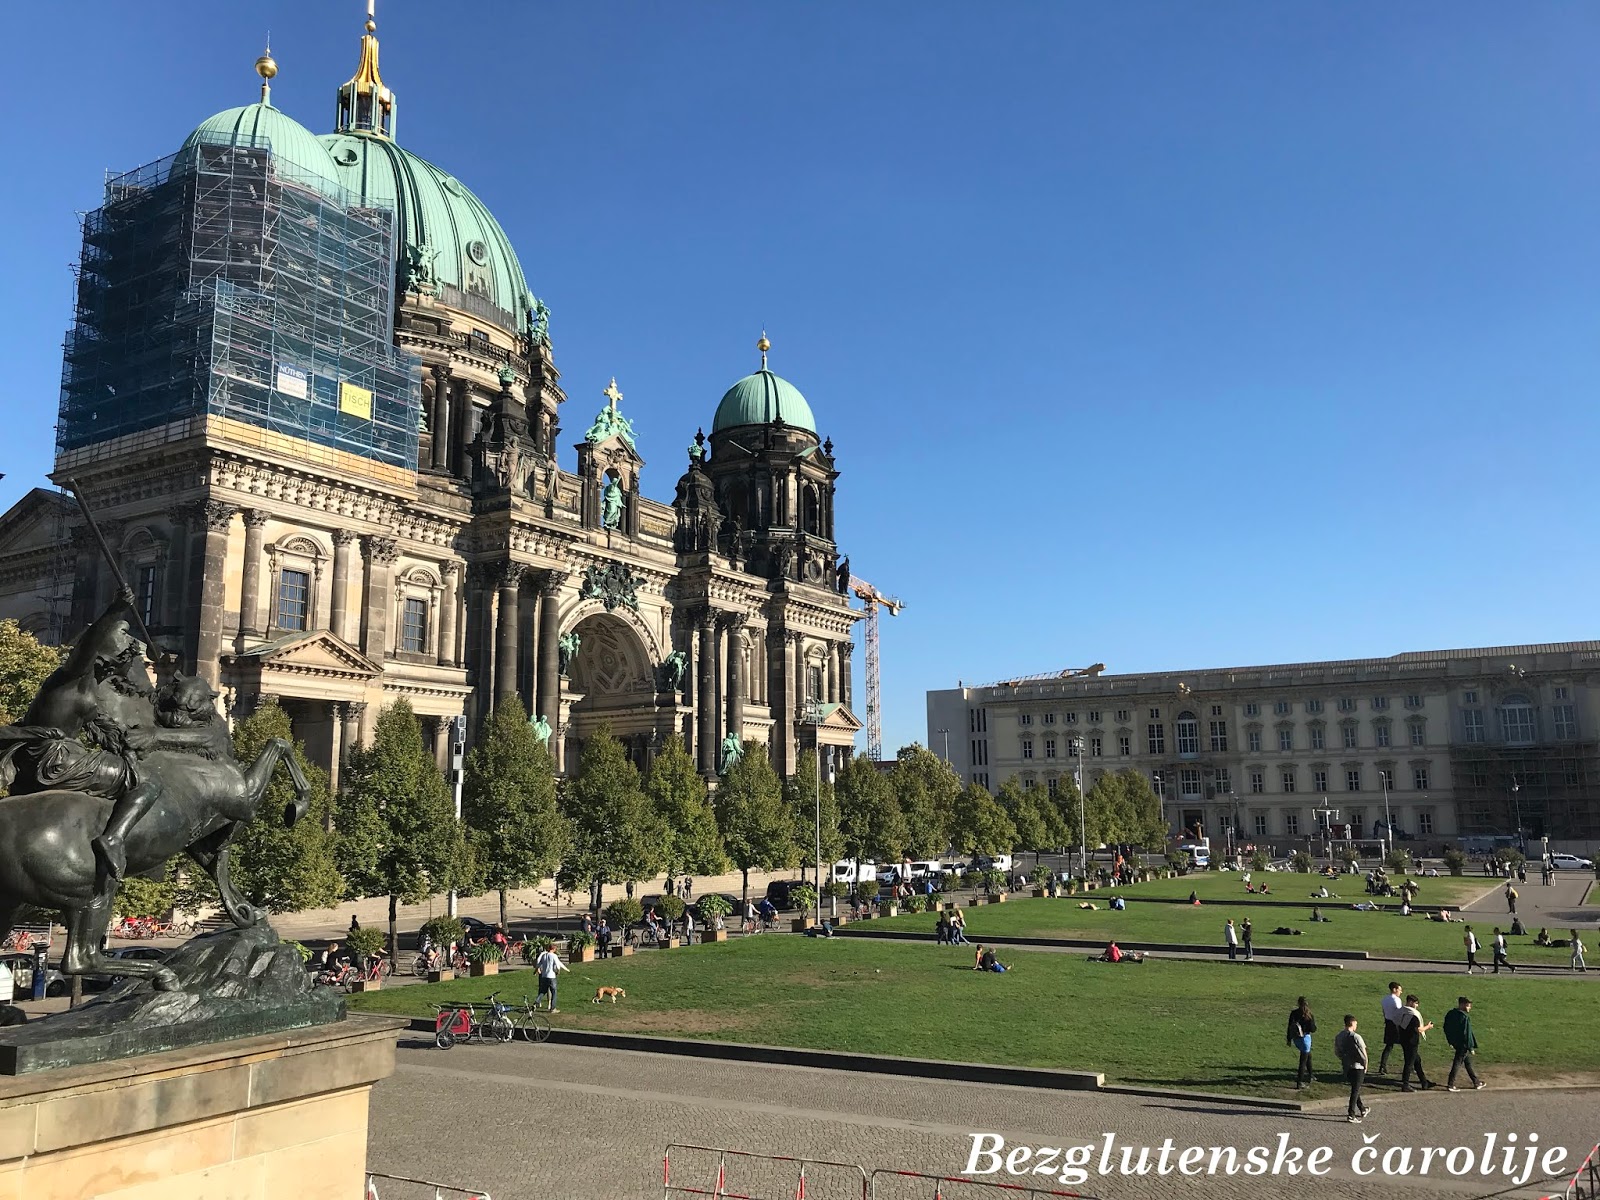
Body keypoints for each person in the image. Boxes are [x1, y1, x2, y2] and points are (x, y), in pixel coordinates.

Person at [1443, 996, 1485, 1091]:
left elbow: (1446, 1027)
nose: (1469, 1008)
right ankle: (1451, 1084)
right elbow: (1467, 1033)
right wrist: (1471, 1048)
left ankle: (1476, 1082)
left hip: (1456, 1042)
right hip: (1464, 1045)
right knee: (1457, 1063)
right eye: (1467, 1006)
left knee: (1467, 1063)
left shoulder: (1451, 1014)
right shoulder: (1464, 1017)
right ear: (1461, 1005)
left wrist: (1450, 1041)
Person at [1332, 1015, 1369, 1123]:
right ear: (1352, 1023)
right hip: (1358, 1067)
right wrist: (1366, 1064)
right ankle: (1351, 1114)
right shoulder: (1356, 1037)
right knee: (1355, 1090)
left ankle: (1362, 1109)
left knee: (1355, 1088)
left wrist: (1343, 1059)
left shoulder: (1339, 1036)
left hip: (1347, 1066)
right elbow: (1363, 1053)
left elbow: (1337, 1051)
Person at [1396, 994, 1434, 1092]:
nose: (1416, 1006)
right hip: (1412, 1041)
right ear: (1410, 1002)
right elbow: (1419, 1029)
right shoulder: (1413, 1015)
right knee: (1409, 1063)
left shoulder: (1402, 1011)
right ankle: (1405, 1084)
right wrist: (1428, 1027)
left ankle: (1424, 1082)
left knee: (1417, 1061)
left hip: (1403, 1040)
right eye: (1416, 1003)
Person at [1286, 997, 1316, 1090]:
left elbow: (1289, 1027)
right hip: (1305, 1039)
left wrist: (1289, 1039)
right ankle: (1299, 1082)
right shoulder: (1309, 1015)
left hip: (1296, 1038)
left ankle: (1311, 1075)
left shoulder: (1294, 1013)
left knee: (1308, 1056)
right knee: (1303, 1060)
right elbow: (1313, 1029)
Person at [1378, 981, 1404, 1074]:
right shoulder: (1396, 1000)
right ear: (1394, 989)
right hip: (1396, 1024)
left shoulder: (1384, 999)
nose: (1401, 992)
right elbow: (1399, 1012)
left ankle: (1382, 1066)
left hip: (1388, 1023)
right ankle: (1411, 1065)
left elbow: (1384, 1012)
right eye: (1399, 990)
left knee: (1389, 1046)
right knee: (1406, 1045)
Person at [533, 942, 569, 1013]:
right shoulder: (554, 956)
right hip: (551, 976)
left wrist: (536, 970)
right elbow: (557, 965)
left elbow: (539, 964)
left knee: (543, 991)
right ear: (553, 949)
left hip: (544, 976)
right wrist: (558, 971)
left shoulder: (544, 955)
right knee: (554, 992)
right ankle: (553, 1008)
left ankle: (536, 1002)